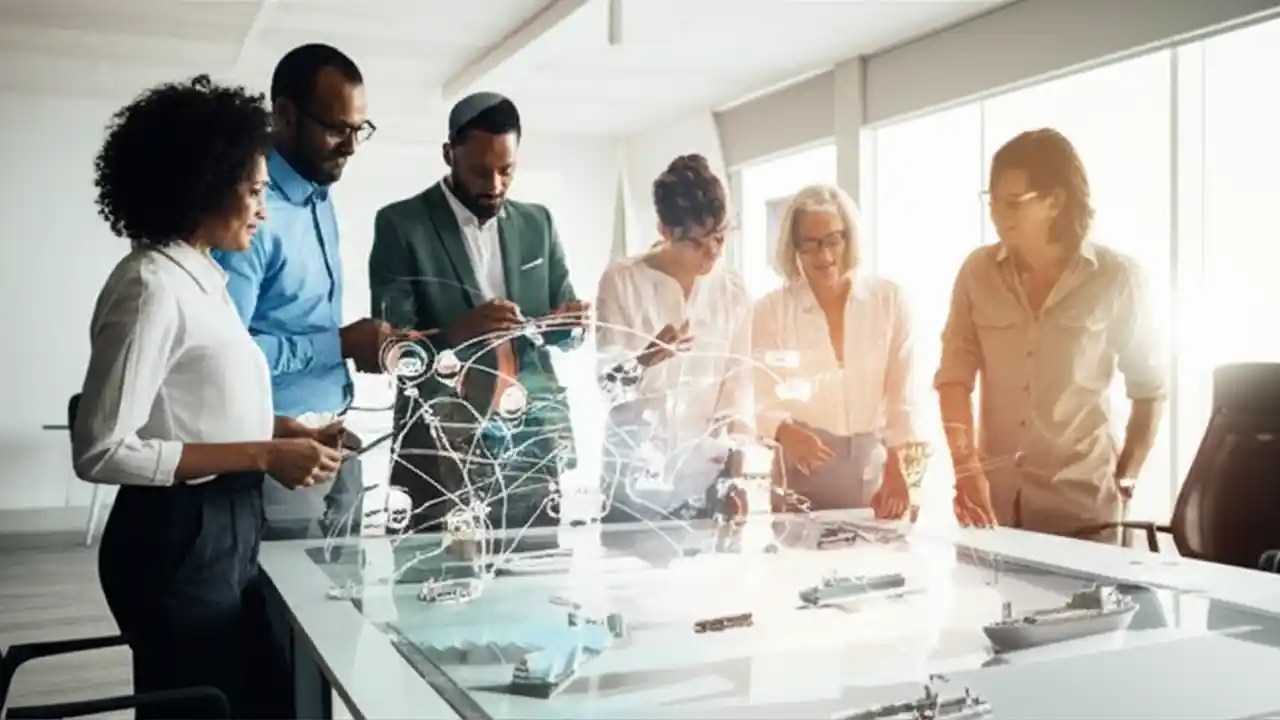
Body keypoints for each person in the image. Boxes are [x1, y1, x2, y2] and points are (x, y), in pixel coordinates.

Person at [74, 75, 343, 718]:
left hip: (224, 524)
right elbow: (102, 450)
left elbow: (195, 405)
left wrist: (284, 432)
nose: (264, 209)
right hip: (179, 537)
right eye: (254, 191)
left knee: (261, 697)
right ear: (204, 185)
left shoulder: (203, 279)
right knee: (207, 705)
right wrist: (262, 454)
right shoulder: (151, 287)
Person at [369, 92, 589, 530]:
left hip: (531, 439)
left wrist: (572, 324)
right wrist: (458, 333)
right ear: (448, 154)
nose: (495, 185)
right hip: (440, 441)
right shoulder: (401, 225)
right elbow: (389, 348)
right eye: (480, 171)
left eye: (506, 170)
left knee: (537, 568)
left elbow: (564, 334)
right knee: (433, 568)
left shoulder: (538, 223)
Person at [935, 128, 1166, 544]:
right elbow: (953, 377)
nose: (997, 214)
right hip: (992, 511)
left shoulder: (1118, 278)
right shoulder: (976, 273)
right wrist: (965, 470)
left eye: (1012, 202)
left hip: (1084, 513)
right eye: (992, 201)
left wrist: (1125, 481)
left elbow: (1150, 391)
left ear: (1055, 202)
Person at [213, 43, 397, 540]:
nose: (351, 147)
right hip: (277, 450)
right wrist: (339, 344)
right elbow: (227, 360)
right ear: (286, 114)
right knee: (285, 588)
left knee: (345, 587)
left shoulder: (319, 196)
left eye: (360, 130)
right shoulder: (250, 213)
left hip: (335, 434)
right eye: (337, 129)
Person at [594, 154, 752, 521]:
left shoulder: (732, 290)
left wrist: (734, 476)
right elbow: (607, 388)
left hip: (707, 480)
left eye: (719, 237)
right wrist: (644, 360)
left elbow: (739, 389)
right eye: (697, 243)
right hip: (634, 481)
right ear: (665, 231)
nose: (713, 252)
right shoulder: (622, 281)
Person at [752, 184, 914, 518]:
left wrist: (898, 467)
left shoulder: (889, 299)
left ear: (848, 238)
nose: (824, 256)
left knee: (879, 552)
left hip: (875, 476)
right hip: (800, 474)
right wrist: (785, 432)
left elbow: (902, 396)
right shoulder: (771, 310)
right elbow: (760, 396)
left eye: (832, 240)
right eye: (810, 244)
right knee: (798, 552)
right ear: (794, 248)